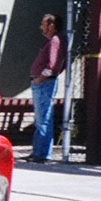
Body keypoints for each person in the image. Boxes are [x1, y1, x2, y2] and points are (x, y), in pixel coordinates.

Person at [27, 13, 68, 162]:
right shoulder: (52, 41)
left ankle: (42, 154)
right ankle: (38, 151)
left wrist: (39, 79)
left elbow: (53, 65)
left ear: (51, 25)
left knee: (43, 118)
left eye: (44, 24)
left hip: (44, 83)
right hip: (43, 83)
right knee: (41, 118)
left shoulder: (55, 41)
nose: (41, 27)